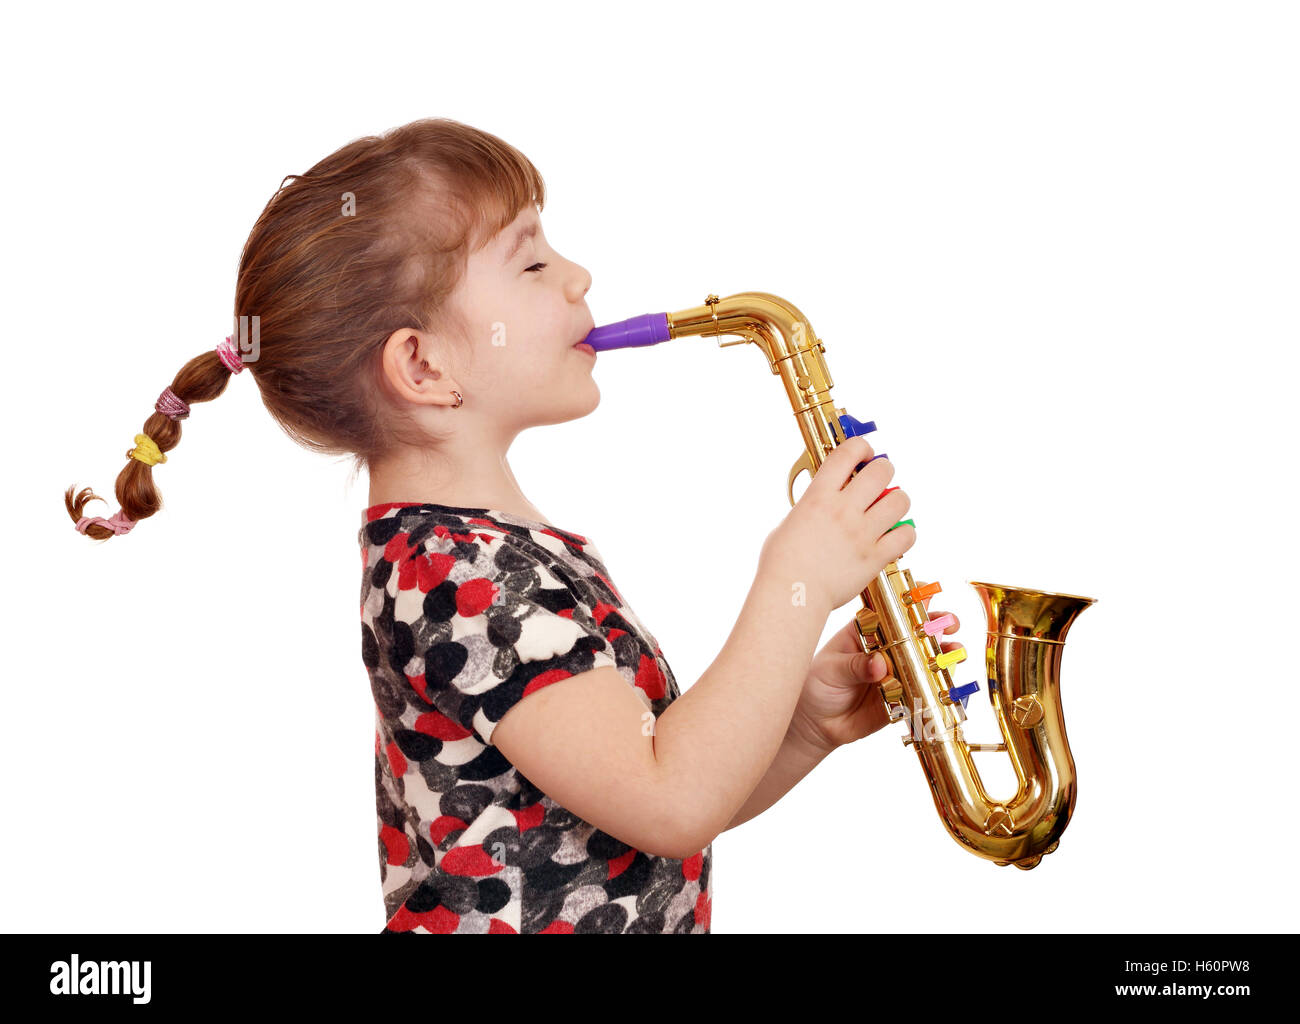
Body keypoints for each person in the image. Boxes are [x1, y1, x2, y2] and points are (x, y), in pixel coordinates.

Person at [66, 117, 958, 933]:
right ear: (422, 365)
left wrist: (805, 719)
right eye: (531, 263)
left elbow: (646, 807)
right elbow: (670, 796)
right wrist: (792, 581)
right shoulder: (459, 575)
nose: (579, 277)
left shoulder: (496, 553)